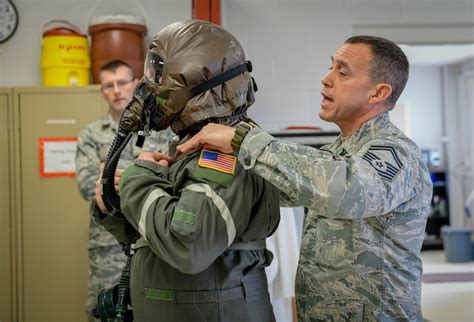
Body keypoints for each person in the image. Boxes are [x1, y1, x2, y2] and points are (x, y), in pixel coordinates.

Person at [178, 35, 433, 321]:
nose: (326, 78)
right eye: (330, 67)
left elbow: (347, 191)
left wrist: (244, 140)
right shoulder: (336, 153)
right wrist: (184, 166)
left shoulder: (395, 153)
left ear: (377, 93)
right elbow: (266, 187)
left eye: (342, 71)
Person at [93, 20, 280, 321]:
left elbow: (188, 245)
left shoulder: (224, 151)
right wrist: (114, 205)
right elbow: (155, 234)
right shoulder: (190, 146)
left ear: (197, 85)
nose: (149, 86)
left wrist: (138, 179)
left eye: (159, 74)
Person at [75, 59, 174, 321]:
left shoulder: (162, 130)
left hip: (153, 237)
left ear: (134, 84)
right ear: (102, 91)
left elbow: (171, 180)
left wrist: (108, 170)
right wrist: (144, 167)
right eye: (109, 85)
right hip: (107, 245)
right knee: (104, 312)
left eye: (122, 83)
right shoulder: (90, 134)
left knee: (151, 310)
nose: (117, 90)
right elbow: (86, 185)